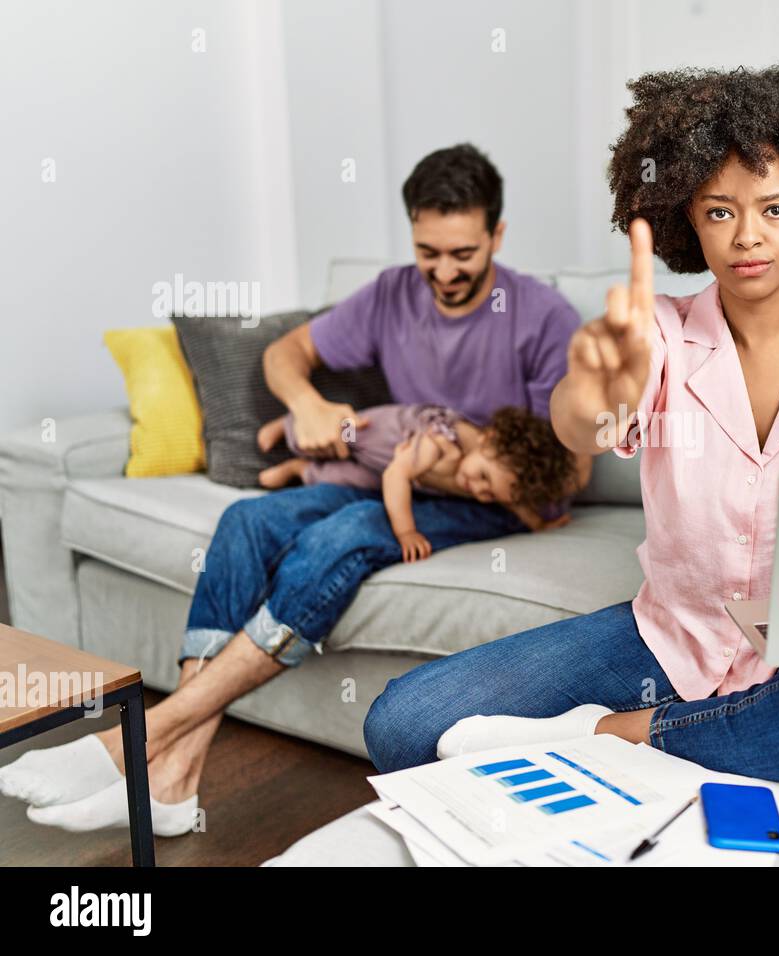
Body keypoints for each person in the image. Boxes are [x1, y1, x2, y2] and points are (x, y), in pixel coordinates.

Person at [363, 66, 779, 796]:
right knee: (403, 724)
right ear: (687, 218)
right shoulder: (659, 330)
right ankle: (744, 736)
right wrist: (603, 389)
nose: (748, 237)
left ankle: (613, 736)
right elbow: (582, 428)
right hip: (672, 638)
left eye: (775, 208)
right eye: (720, 211)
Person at [0, 143, 585, 835]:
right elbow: (285, 354)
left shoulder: (544, 316)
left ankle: (137, 739)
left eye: (463, 253)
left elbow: (569, 467)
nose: (445, 271)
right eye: (430, 251)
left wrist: (473, 469)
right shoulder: (394, 293)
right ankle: (173, 778)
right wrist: (305, 403)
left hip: (489, 497)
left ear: (497, 235)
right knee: (249, 522)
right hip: (392, 473)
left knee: (339, 539)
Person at [258, 402, 582, 552]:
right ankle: (286, 424)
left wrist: (538, 523)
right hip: (378, 437)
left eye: (491, 494)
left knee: (346, 478)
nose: (478, 491)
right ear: (488, 439)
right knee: (329, 437)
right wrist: (407, 532)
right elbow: (396, 475)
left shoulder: (490, 470)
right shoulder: (442, 440)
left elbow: (513, 502)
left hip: (381, 469)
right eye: (483, 477)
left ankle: (297, 469)